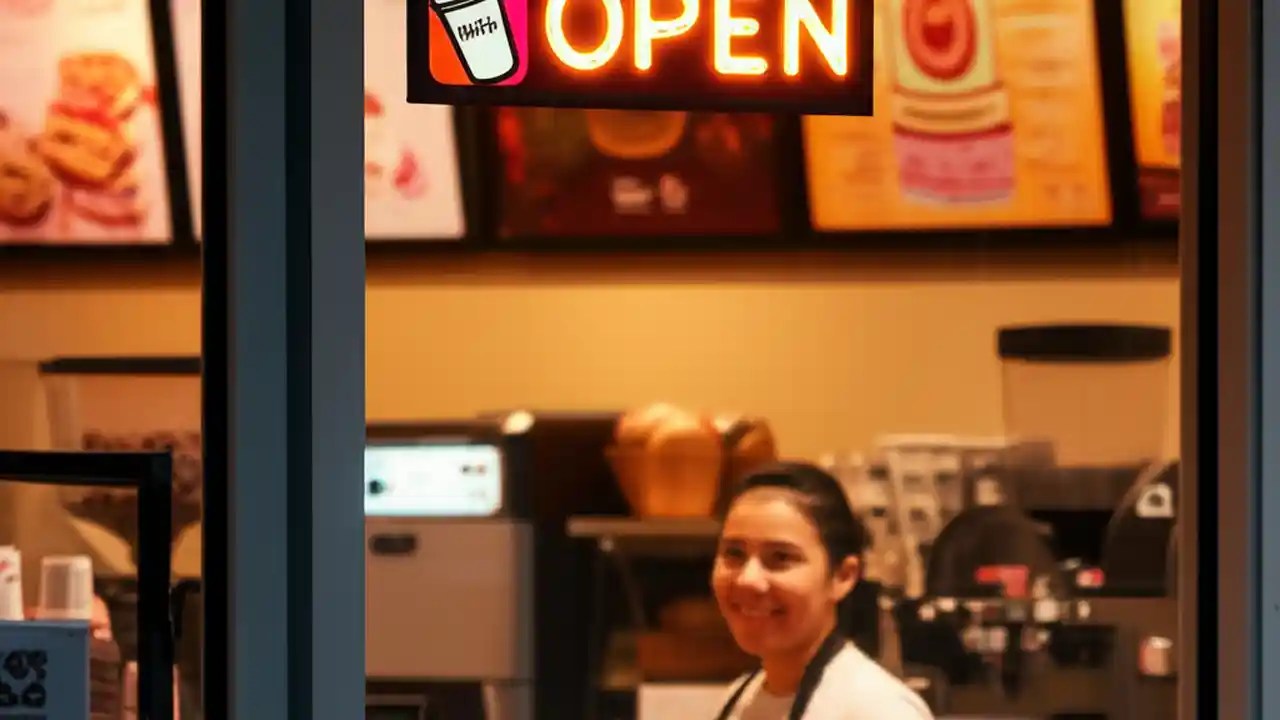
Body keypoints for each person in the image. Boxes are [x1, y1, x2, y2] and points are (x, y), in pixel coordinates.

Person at [710, 461, 933, 719]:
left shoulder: (881, 710)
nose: (748, 579)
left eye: (780, 557)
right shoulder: (738, 699)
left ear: (843, 576)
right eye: (734, 553)